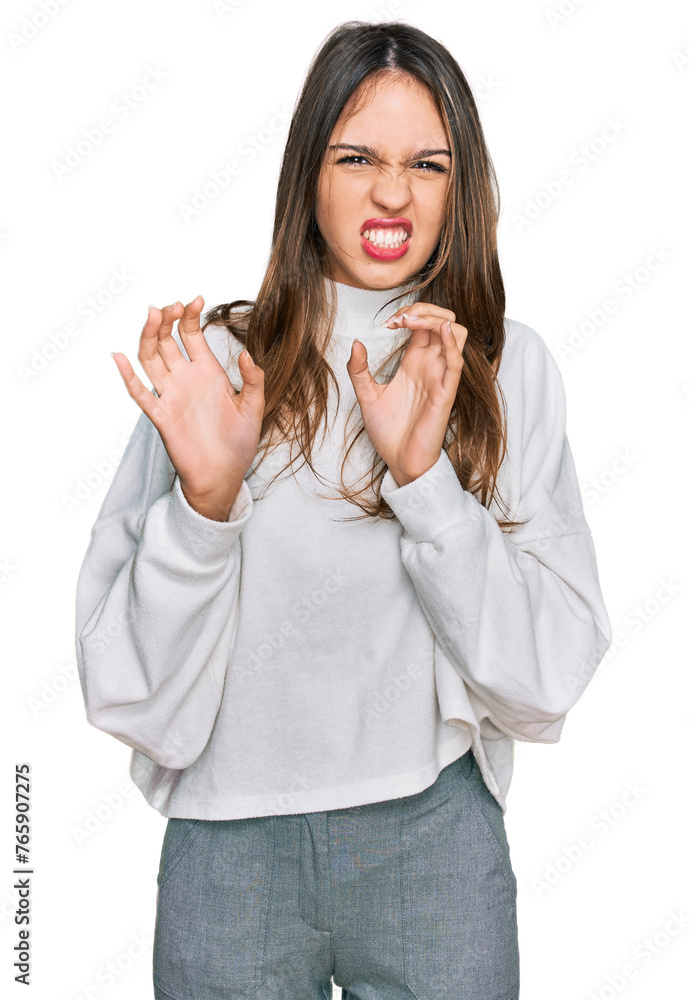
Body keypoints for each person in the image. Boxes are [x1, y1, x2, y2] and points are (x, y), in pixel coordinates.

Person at [74, 19, 612, 1000]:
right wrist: (205, 502)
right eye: (356, 156)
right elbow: (127, 694)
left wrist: (425, 486)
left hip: (431, 842)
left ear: (463, 185)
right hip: (227, 854)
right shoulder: (220, 369)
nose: (393, 194)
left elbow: (543, 683)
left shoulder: (500, 366)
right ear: (305, 173)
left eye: (427, 163)